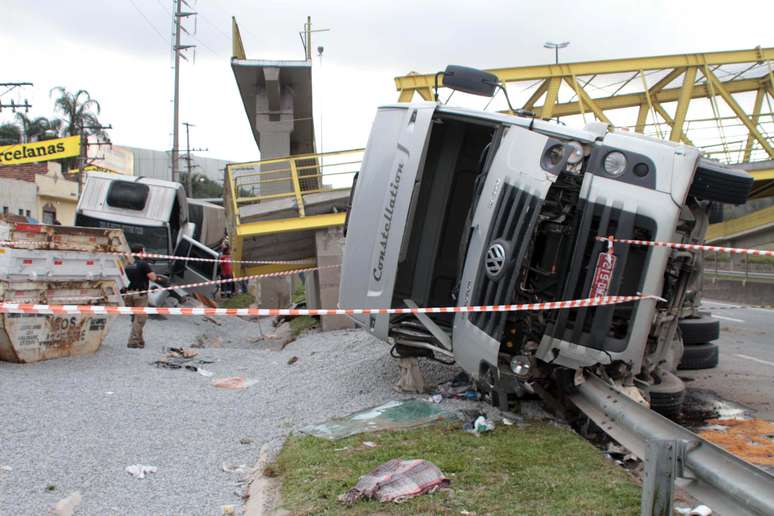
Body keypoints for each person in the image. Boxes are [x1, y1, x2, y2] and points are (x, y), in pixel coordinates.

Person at [124, 244, 157, 348]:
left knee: (136, 318)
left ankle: (140, 340)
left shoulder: (128, 263)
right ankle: (133, 342)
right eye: (144, 251)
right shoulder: (143, 264)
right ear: (141, 252)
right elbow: (153, 277)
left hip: (129, 293)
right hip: (140, 294)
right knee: (140, 318)